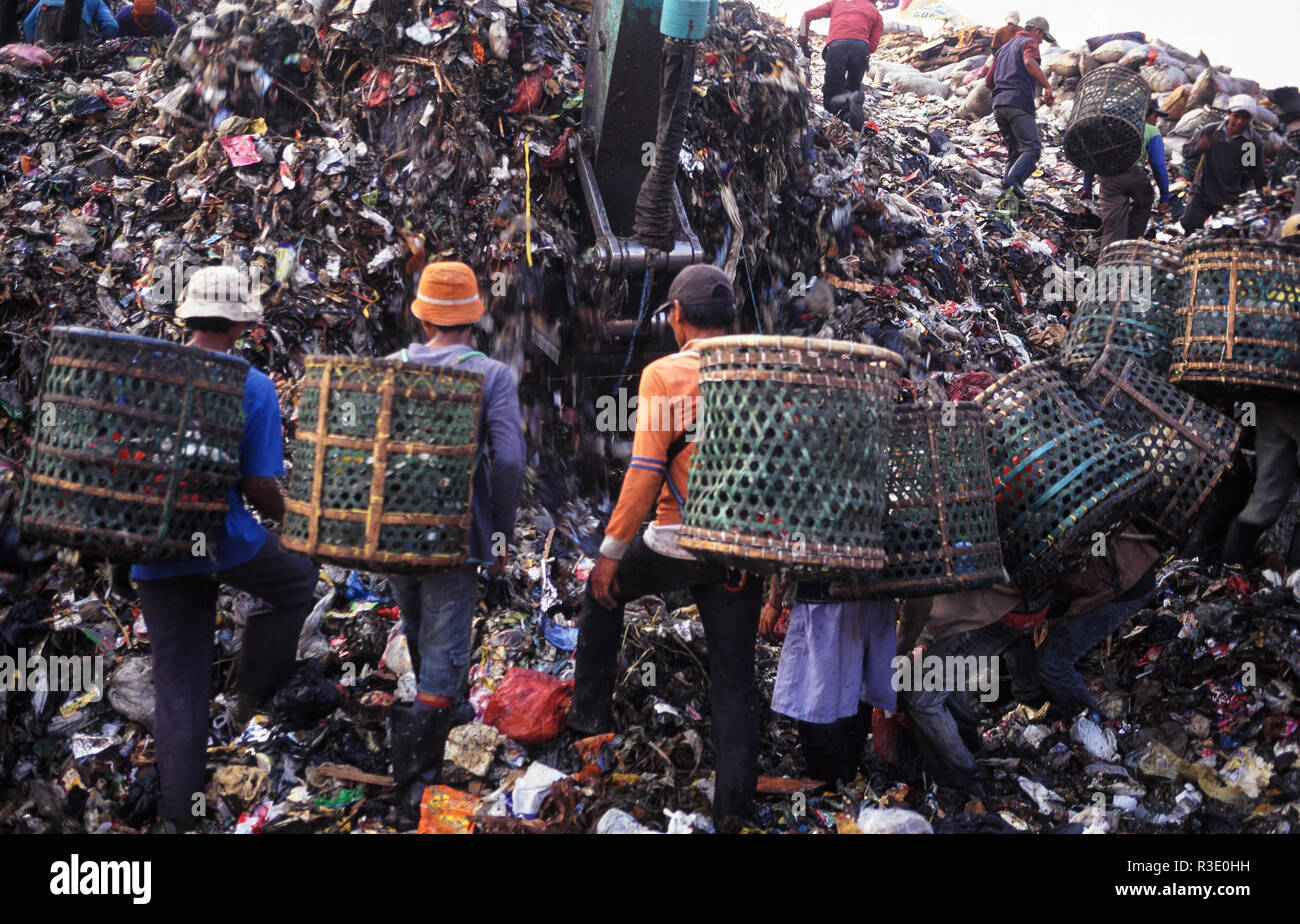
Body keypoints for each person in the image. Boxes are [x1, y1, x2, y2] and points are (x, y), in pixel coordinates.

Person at [568, 264, 763, 830]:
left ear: (676, 315)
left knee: (601, 597)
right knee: (735, 680)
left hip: (678, 539)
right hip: (742, 549)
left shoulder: (664, 374)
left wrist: (608, 554)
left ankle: (589, 727)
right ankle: (735, 813)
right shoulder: (764, 369)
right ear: (731, 319)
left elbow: (646, 472)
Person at [130, 266, 318, 833]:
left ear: (186, 317)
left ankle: (175, 818)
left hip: (150, 548)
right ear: (242, 323)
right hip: (224, 542)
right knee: (295, 582)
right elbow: (260, 487)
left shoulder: (146, 372)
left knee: (178, 684)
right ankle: (251, 696)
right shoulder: (252, 385)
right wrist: (299, 523)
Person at [385, 261, 525, 830]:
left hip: (389, 532)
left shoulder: (388, 368)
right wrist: (501, 531)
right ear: (475, 316)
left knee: (421, 633)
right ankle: (413, 790)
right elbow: (510, 460)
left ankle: (446, 712)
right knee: (442, 656)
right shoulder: (491, 375)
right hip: (453, 537)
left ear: (421, 317)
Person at [761, 577, 896, 785]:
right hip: (872, 599)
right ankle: (845, 783)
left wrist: (774, 602)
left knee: (815, 704)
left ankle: (834, 787)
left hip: (825, 603)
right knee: (857, 691)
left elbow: (793, 548)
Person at [984, 14, 1055, 200]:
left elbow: (988, 81)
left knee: (1014, 151)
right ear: (1037, 32)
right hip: (1019, 103)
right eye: (1042, 37)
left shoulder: (1003, 49)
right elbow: (1029, 62)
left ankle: (1008, 195)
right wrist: (1047, 86)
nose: (1041, 42)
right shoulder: (1029, 42)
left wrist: (1003, 91)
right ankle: (1012, 181)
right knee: (1032, 149)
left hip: (999, 106)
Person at [1085, 100, 1171, 246]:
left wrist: (1086, 185)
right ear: (1147, 115)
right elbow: (1157, 164)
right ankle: (1131, 244)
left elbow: (1092, 157)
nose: (1156, 121)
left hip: (1110, 179)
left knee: (1113, 229)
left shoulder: (1107, 129)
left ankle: (1109, 261)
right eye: (1155, 116)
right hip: (1136, 177)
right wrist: (1165, 197)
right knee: (1144, 202)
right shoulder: (1150, 130)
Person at [1181, 95, 1268, 234]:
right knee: (1189, 225)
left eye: (1245, 118)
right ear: (1229, 114)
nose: (1239, 121)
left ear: (1250, 120)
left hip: (1228, 199)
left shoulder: (1250, 143)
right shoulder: (1212, 132)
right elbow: (1186, 152)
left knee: (1219, 237)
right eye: (1236, 116)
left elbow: (1252, 171)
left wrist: (1263, 197)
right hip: (1202, 192)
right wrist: (1198, 147)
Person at [797, 0, 883, 131]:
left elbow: (806, 15)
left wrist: (802, 42)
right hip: (861, 50)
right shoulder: (876, 13)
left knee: (830, 95)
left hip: (837, 48)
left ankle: (848, 105)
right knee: (853, 89)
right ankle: (851, 116)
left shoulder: (838, 2)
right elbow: (873, 46)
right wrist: (859, 45)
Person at [23, 0, 118, 42]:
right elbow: (112, 25)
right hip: (79, 17)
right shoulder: (97, 1)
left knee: (44, 62)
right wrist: (104, 45)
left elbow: (27, 24)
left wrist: (32, 50)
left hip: (46, 8)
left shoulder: (44, 0)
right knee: (76, 64)